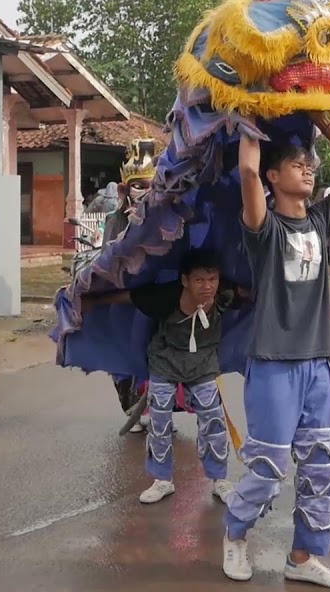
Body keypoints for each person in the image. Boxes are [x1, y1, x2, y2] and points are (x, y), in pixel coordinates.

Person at [222, 113, 330, 588]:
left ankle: (302, 557)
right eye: (297, 164)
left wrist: (323, 119)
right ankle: (236, 535)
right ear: (274, 176)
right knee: (267, 467)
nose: (308, 170)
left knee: (321, 467)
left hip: (317, 364)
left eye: (310, 164)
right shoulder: (263, 228)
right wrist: (248, 115)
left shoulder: (322, 219)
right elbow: (245, 171)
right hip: (272, 364)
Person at [81, 249, 244, 505]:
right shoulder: (165, 296)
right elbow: (129, 297)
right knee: (159, 423)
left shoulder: (224, 295)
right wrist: (91, 302)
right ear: (184, 280)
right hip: (164, 362)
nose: (207, 286)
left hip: (203, 364)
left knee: (213, 422)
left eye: (212, 279)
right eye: (200, 280)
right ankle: (162, 480)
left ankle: (219, 479)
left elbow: (255, 295)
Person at [102, 139, 160, 432]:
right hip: (123, 295)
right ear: (125, 189)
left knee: (159, 351)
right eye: (138, 186)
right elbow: (108, 258)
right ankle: (133, 408)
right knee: (126, 353)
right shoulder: (115, 219)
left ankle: (158, 409)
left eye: (149, 185)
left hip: (154, 293)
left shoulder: (164, 214)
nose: (144, 192)